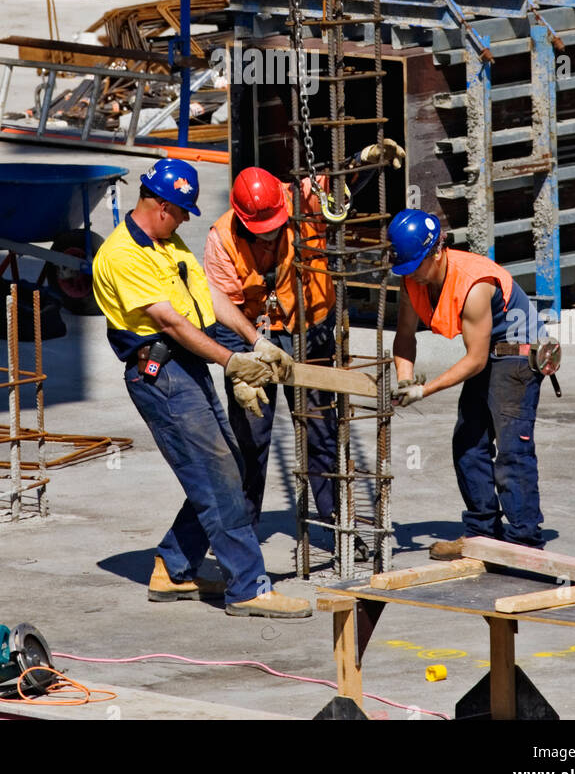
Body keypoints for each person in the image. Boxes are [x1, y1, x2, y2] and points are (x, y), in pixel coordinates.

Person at [92, 157, 311, 618]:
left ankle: (173, 569)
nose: (186, 220)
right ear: (162, 205)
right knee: (220, 477)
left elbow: (209, 295)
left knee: (225, 464)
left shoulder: (167, 243)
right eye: (182, 211)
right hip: (162, 375)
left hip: (187, 369)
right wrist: (232, 361)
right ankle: (248, 586)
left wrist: (257, 341)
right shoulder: (122, 254)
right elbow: (170, 323)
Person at [203, 141, 404, 558]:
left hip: (311, 324)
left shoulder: (297, 196)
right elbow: (223, 311)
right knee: (251, 438)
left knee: (320, 431)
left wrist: (362, 160)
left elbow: (339, 184)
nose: (272, 231)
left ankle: (335, 529)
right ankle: (242, 536)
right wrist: (237, 368)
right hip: (253, 334)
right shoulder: (222, 239)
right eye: (262, 228)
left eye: (275, 223)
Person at [387, 209, 546, 558]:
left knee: (511, 450)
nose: (411, 274)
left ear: (437, 252)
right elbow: (404, 335)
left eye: (415, 265)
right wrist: (404, 378)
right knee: (467, 443)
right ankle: (482, 535)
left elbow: (475, 360)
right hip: (488, 353)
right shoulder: (413, 277)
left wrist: (424, 390)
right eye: (406, 268)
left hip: (517, 353)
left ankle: (524, 543)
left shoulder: (474, 284)